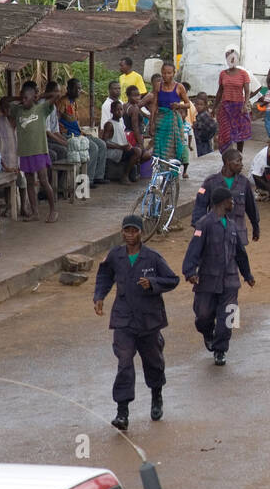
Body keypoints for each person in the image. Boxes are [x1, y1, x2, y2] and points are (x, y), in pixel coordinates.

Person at [94, 214, 180, 427]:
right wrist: (99, 297)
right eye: (126, 231)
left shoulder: (152, 258)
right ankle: (122, 412)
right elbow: (104, 276)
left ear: (142, 233)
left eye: (134, 231)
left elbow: (172, 279)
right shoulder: (115, 256)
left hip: (149, 320)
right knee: (124, 363)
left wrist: (152, 283)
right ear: (122, 232)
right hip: (124, 319)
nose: (130, 235)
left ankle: (156, 394)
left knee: (153, 362)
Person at [183, 186, 255, 365]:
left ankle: (221, 350)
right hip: (207, 279)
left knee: (229, 317)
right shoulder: (204, 224)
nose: (233, 203)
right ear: (223, 203)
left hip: (230, 280)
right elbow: (194, 250)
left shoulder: (231, 224)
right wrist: (190, 272)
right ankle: (208, 333)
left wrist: (247, 274)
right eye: (231, 200)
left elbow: (240, 252)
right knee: (203, 315)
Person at [4, 80, 64, 222]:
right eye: (22, 98)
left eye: (27, 98)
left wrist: (40, 95)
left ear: (34, 98)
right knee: (30, 182)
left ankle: (53, 210)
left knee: (43, 180)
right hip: (25, 153)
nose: (24, 101)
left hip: (39, 151)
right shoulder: (18, 110)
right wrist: (19, 98)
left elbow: (57, 94)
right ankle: (35, 212)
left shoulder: (41, 108)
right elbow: (4, 101)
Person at [192, 147, 260, 246]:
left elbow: (251, 207)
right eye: (238, 161)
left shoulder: (244, 182)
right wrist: (199, 229)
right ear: (228, 162)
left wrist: (256, 226)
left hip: (238, 236)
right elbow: (200, 206)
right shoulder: (210, 182)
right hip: (216, 236)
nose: (242, 165)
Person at [58, 78, 108, 185]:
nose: (79, 91)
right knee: (93, 148)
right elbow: (57, 120)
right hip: (68, 134)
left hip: (78, 133)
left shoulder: (74, 102)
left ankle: (98, 176)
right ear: (68, 89)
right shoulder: (63, 102)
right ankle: (87, 180)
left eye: (80, 88)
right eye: (76, 88)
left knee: (102, 144)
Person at [212, 48, 252, 155]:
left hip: (238, 106)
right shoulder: (223, 74)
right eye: (229, 57)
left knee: (240, 133)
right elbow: (220, 92)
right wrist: (214, 107)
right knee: (226, 133)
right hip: (225, 107)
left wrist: (245, 104)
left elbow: (247, 91)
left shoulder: (244, 74)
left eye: (233, 57)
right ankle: (228, 156)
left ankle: (239, 155)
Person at [99, 99, 133, 182]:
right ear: (112, 111)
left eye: (121, 109)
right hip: (114, 152)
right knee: (136, 152)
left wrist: (127, 145)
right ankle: (125, 176)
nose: (119, 112)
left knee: (138, 151)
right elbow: (104, 143)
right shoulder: (109, 124)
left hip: (120, 150)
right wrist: (121, 147)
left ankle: (128, 174)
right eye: (117, 110)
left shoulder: (120, 123)